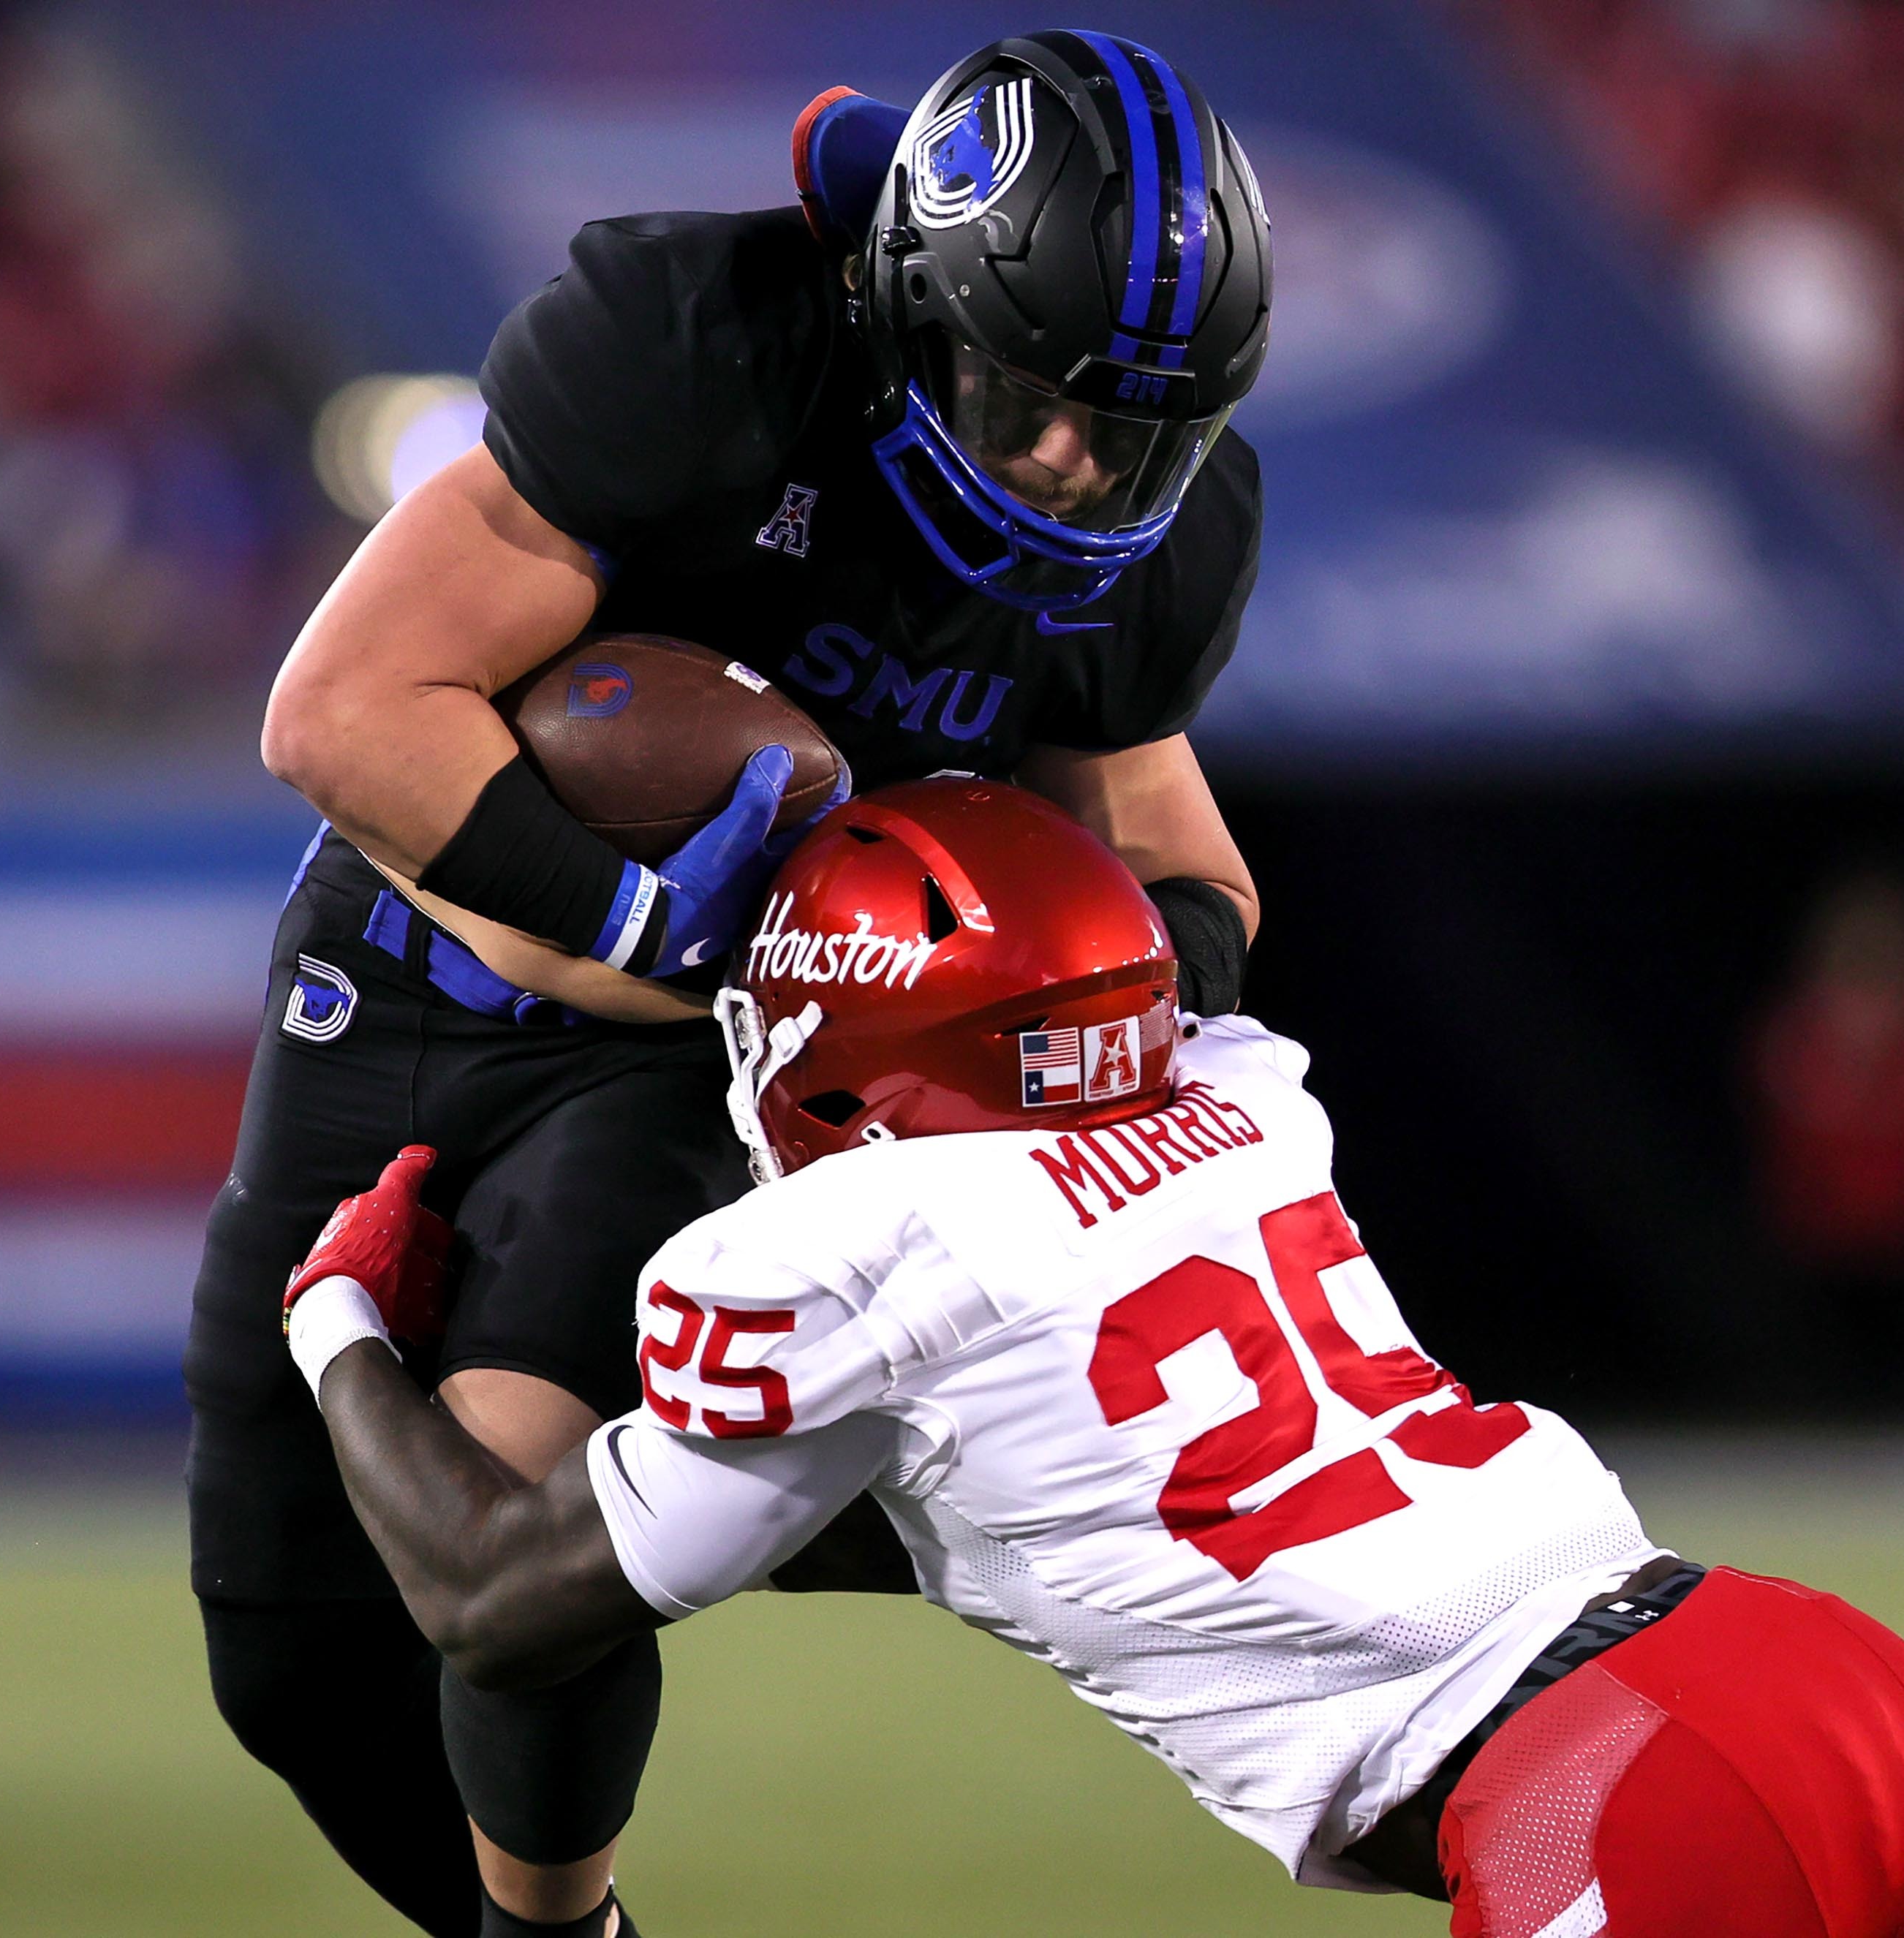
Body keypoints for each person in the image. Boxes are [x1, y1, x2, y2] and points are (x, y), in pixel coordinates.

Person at [284, 779, 1904, 1938]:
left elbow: (494, 1593)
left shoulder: (860, 1247)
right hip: (1813, 1671)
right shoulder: (1241, 1100)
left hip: (1604, 1782)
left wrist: (339, 1321)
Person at [189, 33, 1270, 1938]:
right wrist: (646, 907)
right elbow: (339, 708)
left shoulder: (1154, 543)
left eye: (1138, 426)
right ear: (914, 302)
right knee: (290, 1647)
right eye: (1040, 396)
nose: (1080, 465)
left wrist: (1035, 991)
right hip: (413, 965)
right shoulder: (696, 338)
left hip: (690, 1065)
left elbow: (1181, 876)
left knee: (509, 1532)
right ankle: (811, 1501)